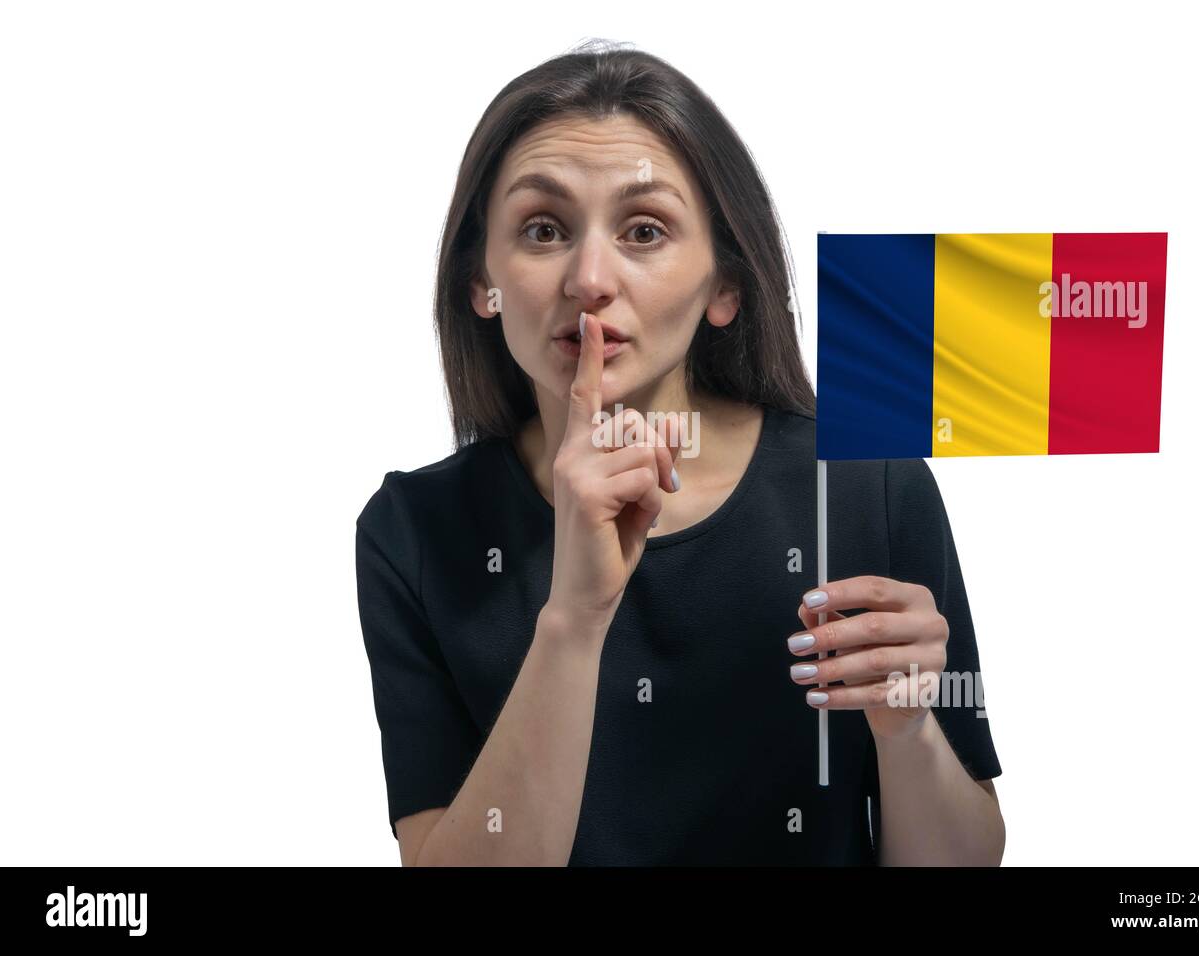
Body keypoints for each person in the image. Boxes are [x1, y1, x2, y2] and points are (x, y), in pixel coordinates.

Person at [355, 41, 1005, 866]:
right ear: (481, 282)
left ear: (726, 286)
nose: (590, 277)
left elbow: (967, 858)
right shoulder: (414, 531)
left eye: (645, 229)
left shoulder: (867, 484)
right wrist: (574, 619)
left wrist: (908, 730)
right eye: (543, 228)